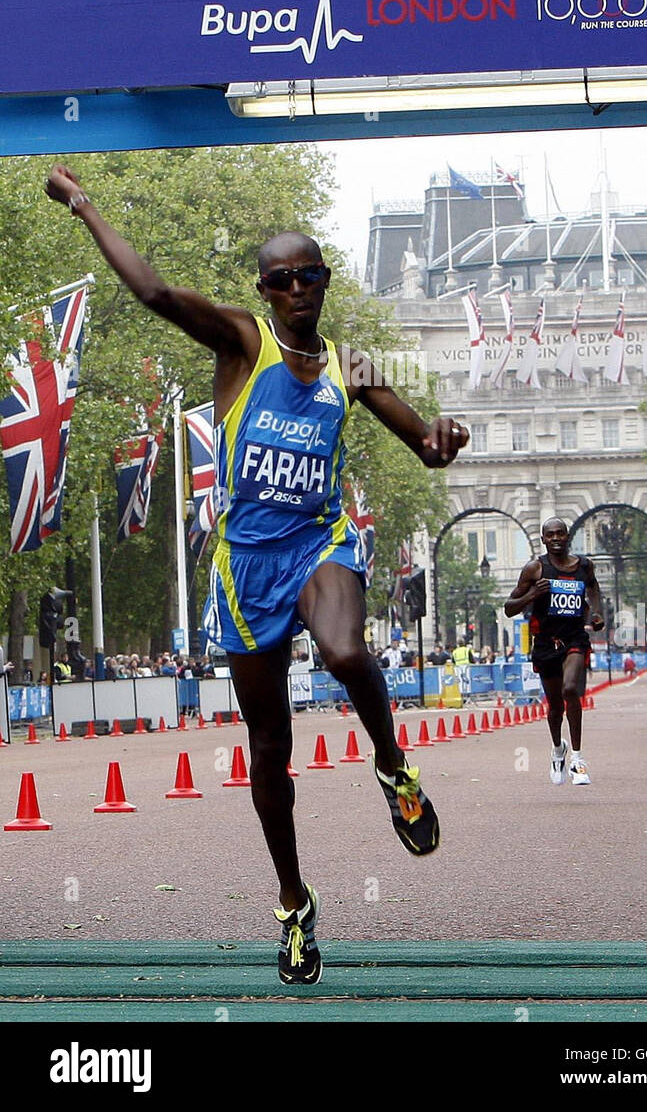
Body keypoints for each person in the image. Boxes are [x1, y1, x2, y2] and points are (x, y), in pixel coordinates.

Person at [45, 161, 469, 987]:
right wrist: (85, 206)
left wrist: (443, 439)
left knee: (348, 655)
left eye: (309, 274)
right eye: (282, 279)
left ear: (323, 281)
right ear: (266, 291)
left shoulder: (357, 369)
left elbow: (423, 446)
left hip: (319, 541)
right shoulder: (243, 340)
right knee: (268, 748)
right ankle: (295, 903)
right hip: (247, 566)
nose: (297, 289)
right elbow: (157, 296)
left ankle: (393, 768)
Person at [505, 518, 604, 786]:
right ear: (544, 539)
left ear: (568, 536)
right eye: (551, 535)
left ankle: (578, 760)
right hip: (546, 642)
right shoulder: (535, 569)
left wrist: (595, 613)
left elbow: (593, 587)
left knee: (571, 690)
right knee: (556, 707)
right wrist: (531, 595)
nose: (557, 538)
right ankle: (558, 749)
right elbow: (509, 607)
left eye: (561, 533)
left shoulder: (583, 566)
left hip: (574, 638)